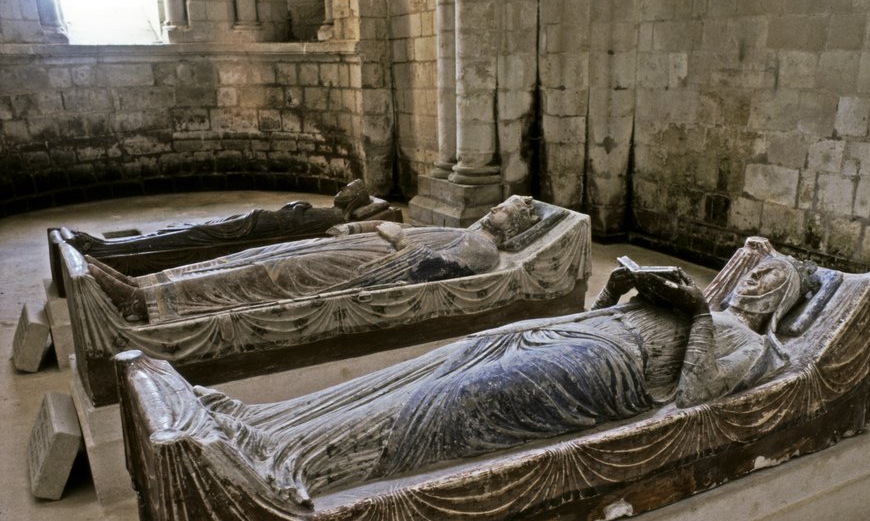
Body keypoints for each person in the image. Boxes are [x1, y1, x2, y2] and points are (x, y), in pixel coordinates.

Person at [191, 251, 813, 507]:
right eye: (755, 273)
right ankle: (266, 420)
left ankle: (292, 462)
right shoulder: (695, 296)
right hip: (570, 336)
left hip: (602, 374)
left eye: (771, 281)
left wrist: (699, 314)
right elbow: (596, 316)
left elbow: (694, 396)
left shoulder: (755, 343)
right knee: (446, 357)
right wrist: (617, 290)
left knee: (454, 397)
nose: (756, 281)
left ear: (778, 301)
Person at [87, 196, 540, 323]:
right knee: (270, 252)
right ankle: (150, 282)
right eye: (504, 203)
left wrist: (396, 238)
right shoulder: (468, 230)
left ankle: (148, 304)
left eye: (509, 208)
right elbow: (410, 232)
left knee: (267, 276)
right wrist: (355, 227)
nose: (498, 207)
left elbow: (437, 271)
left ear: (512, 227)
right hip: (359, 248)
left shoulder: (483, 247)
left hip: (367, 270)